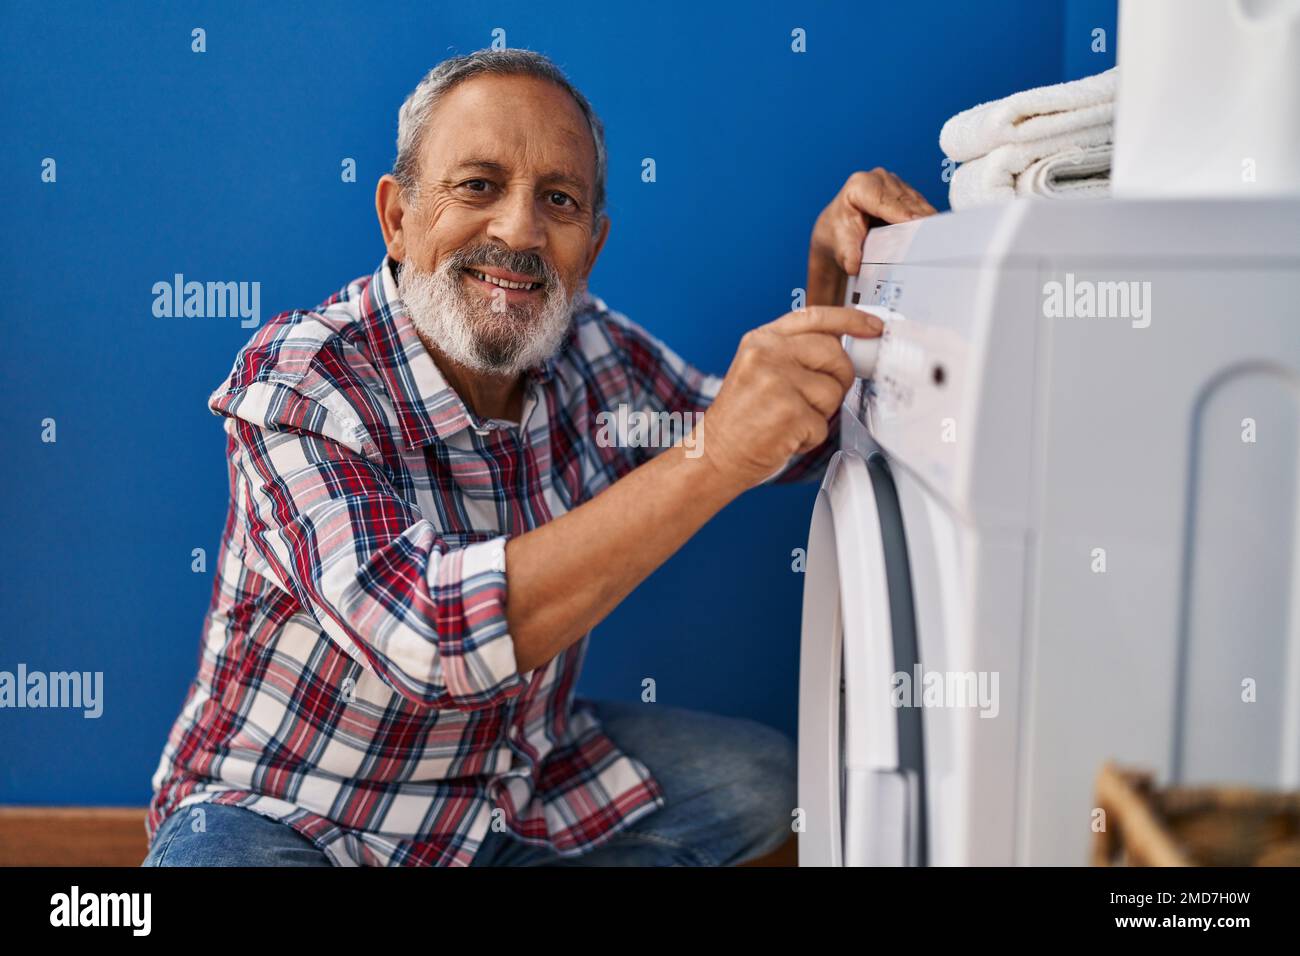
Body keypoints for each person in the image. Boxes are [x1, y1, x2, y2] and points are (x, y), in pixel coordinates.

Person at [143, 48, 936, 867]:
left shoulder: (596, 352)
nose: (518, 230)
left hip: (511, 780)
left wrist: (831, 284)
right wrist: (713, 457)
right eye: (478, 185)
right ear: (398, 216)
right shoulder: (302, 380)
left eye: (557, 200)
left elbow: (789, 438)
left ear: (589, 251)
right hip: (295, 807)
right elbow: (431, 638)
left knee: (762, 781)